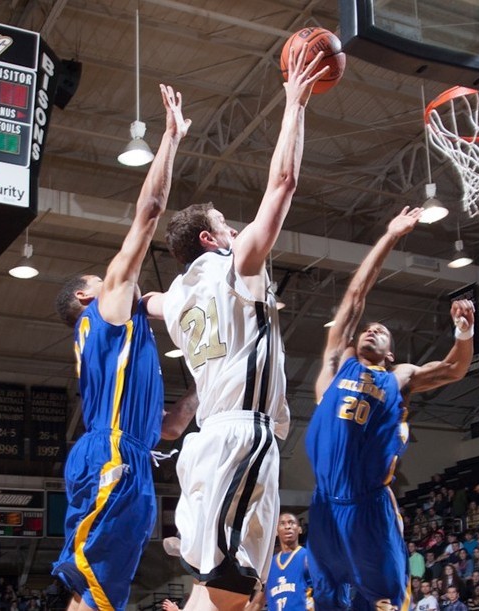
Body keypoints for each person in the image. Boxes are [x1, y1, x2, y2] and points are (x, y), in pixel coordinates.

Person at [155, 44, 327, 611]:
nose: (235, 231)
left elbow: (144, 300)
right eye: (226, 226)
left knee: (233, 586)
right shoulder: (234, 269)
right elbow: (282, 185)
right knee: (232, 583)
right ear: (209, 240)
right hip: (240, 436)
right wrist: (295, 104)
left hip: (213, 443)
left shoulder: (177, 297)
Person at [50, 84, 192, 611]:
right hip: (111, 453)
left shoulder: (121, 340)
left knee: (97, 589)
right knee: (96, 588)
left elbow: (170, 427)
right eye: (107, 280)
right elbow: (149, 212)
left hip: (127, 453)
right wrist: (171, 139)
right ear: (89, 294)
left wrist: (211, 381)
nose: (122, 283)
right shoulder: (104, 310)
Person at [304, 206, 476, 611]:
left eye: (382, 331)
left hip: (368, 506)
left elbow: (454, 368)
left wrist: (463, 331)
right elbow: (355, 295)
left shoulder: (398, 378)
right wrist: (389, 236)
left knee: (383, 602)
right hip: (325, 504)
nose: (372, 329)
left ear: (391, 353)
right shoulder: (333, 368)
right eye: (367, 328)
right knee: (327, 603)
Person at [265, 513, 313, 611]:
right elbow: (257, 602)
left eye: (292, 523)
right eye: (282, 524)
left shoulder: (308, 557)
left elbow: (325, 591)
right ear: (276, 531)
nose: (287, 527)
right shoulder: (269, 565)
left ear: (300, 529)